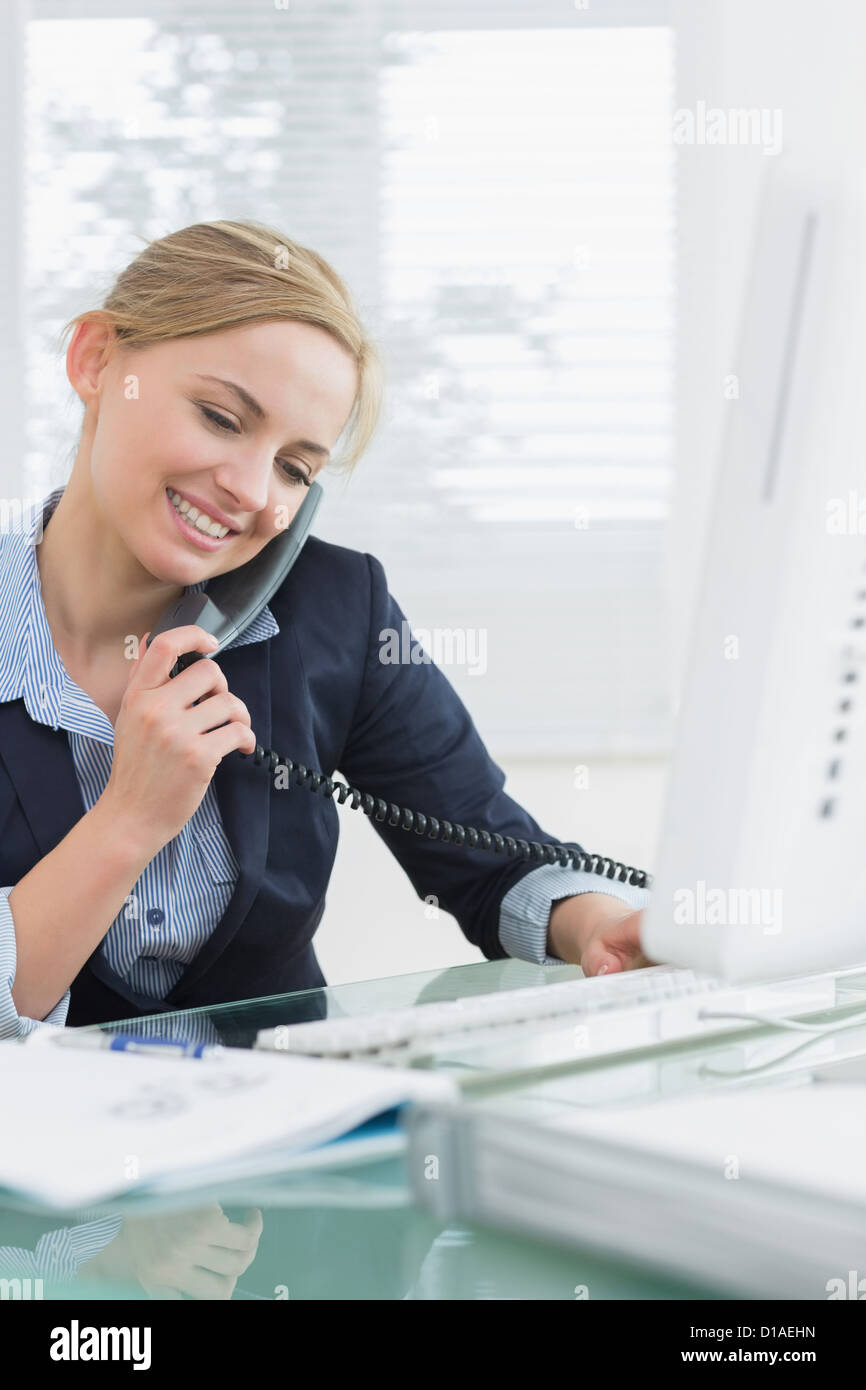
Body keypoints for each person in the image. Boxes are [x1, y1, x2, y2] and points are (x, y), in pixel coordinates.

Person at [0, 219, 653, 1039]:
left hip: (286, 1128)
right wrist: (131, 817)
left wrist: (594, 924)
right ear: (96, 361)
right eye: (221, 417)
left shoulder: (338, 609)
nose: (249, 490)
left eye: (295, 467)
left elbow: (491, 856)